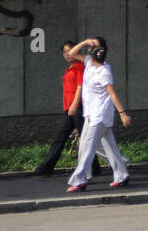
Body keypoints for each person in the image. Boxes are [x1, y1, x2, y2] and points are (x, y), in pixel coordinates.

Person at [65, 36, 132, 192]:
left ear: (100, 51)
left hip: (99, 115)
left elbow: (112, 94)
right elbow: (72, 53)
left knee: (87, 146)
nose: (90, 48)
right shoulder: (89, 62)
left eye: (94, 46)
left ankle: (79, 180)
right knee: (109, 146)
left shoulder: (104, 71)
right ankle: (122, 175)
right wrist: (84, 42)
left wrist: (122, 114)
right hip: (91, 114)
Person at [31, 41, 101, 177]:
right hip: (69, 108)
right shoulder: (70, 68)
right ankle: (46, 167)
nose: (67, 54)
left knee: (85, 139)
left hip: (78, 107)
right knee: (60, 138)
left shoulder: (80, 67)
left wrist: (74, 104)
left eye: (69, 51)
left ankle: (94, 168)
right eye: (64, 52)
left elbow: (80, 87)